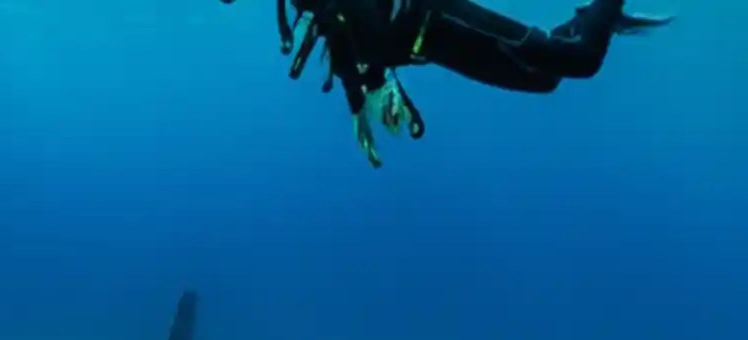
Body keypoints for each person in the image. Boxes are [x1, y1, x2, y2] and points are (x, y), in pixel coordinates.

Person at [220, 0, 673, 167]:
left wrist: (361, 99)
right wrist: (372, 92)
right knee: (544, 82)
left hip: (443, 17)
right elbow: (351, 34)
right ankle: (591, 17)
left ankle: (604, 10)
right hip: (434, 45)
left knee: (581, 62)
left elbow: (348, 23)